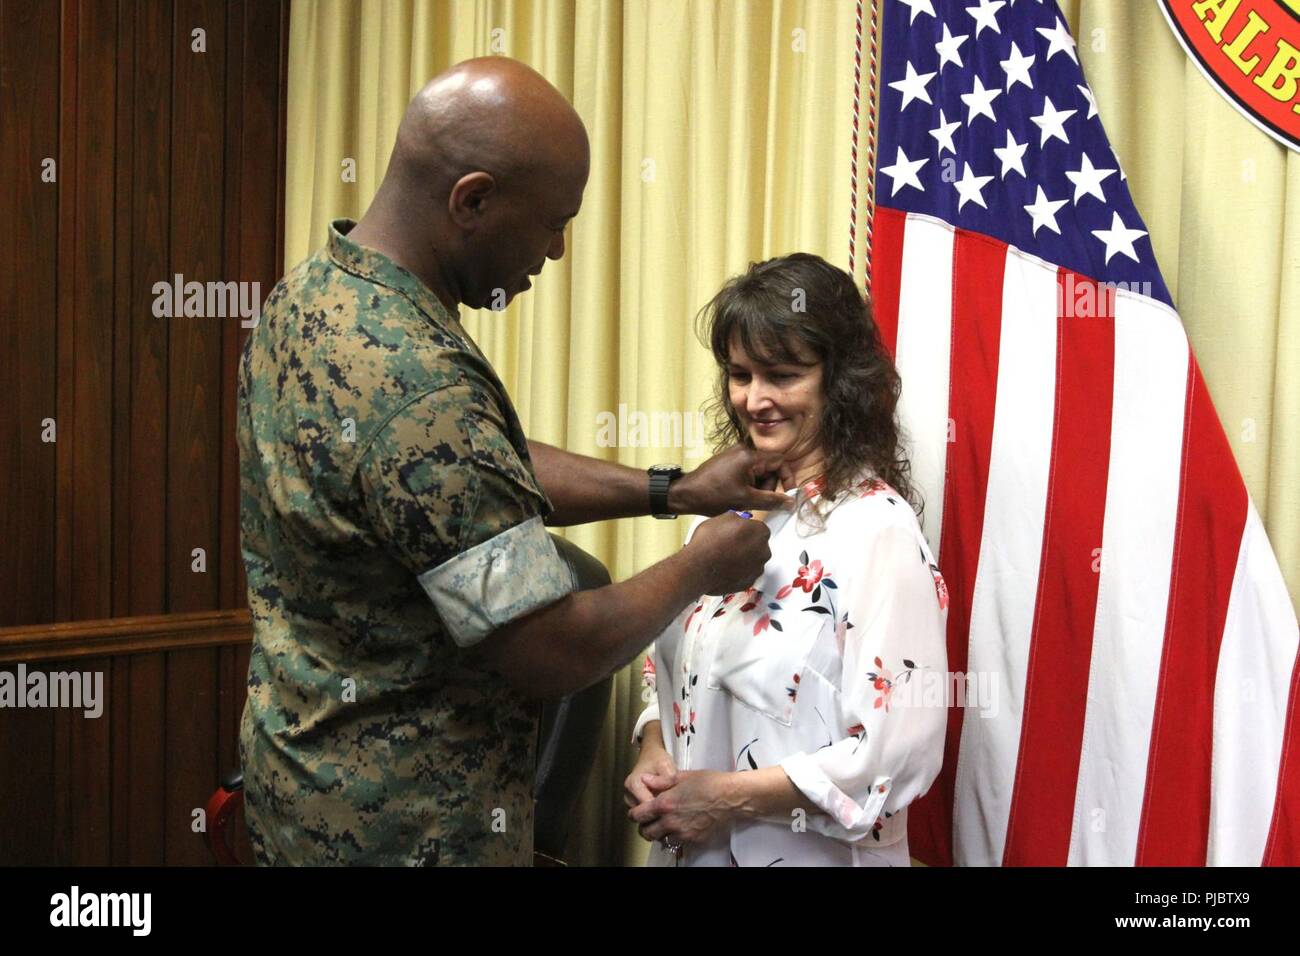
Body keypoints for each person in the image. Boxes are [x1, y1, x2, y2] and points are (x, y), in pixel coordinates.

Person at [237, 57, 791, 866]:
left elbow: (469, 469)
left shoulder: (316, 295)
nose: (559, 251)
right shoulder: (418, 384)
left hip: (298, 784)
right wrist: (699, 567)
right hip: (404, 833)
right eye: (551, 222)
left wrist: (671, 491)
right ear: (473, 199)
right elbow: (549, 651)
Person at [625, 253, 949, 866]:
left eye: (782, 374)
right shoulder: (722, 513)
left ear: (840, 379)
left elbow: (894, 755)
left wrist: (726, 799)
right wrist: (652, 747)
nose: (755, 399)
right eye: (740, 374)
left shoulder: (877, 532)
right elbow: (669, 671)